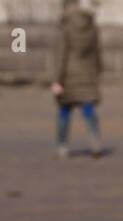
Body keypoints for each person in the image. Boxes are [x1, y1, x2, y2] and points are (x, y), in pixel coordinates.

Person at [51, 0, 104, 159]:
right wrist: (98, 72)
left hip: (68, 75)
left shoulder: (65, 27)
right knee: (88, 108)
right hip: (87, 73)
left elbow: (61, 56)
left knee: (64, 110)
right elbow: (97, 52)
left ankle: (62, 146)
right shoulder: (92, 26)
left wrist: (56, 80)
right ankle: (95, 142)